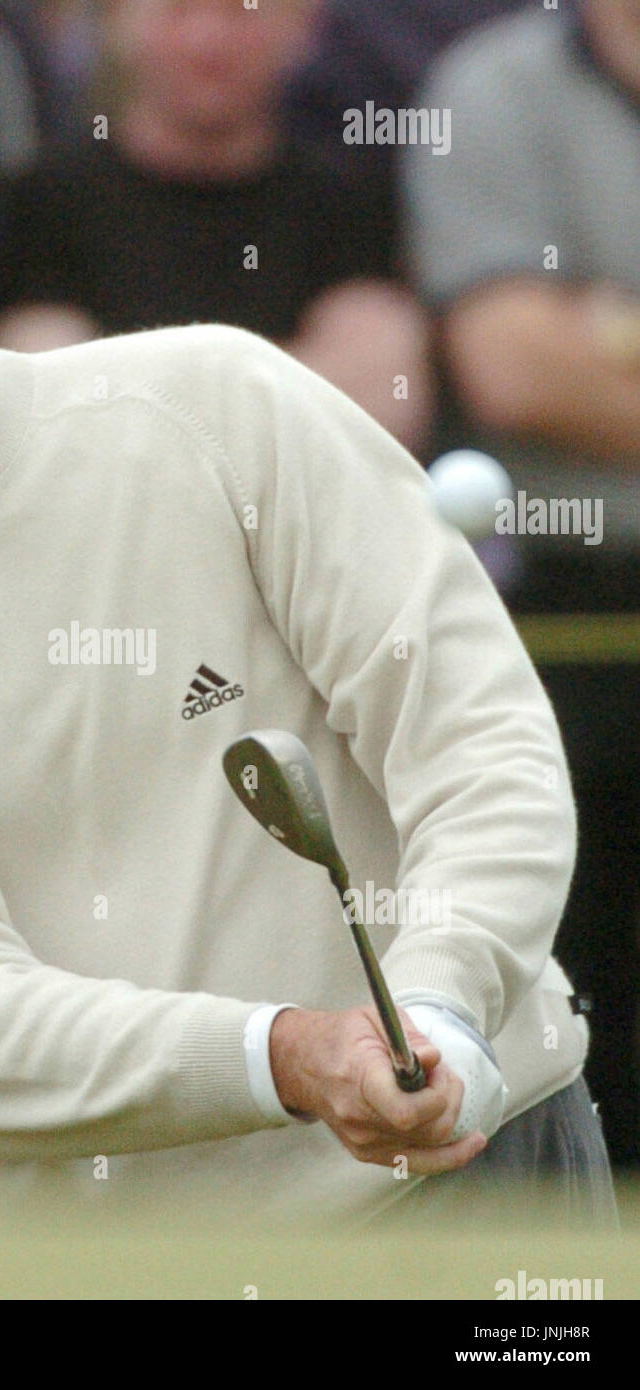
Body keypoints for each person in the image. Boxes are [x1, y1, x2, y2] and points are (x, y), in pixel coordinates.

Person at [0, 70, 614, 1235]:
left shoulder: (219, 399)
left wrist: (444, 1001)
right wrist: (287, 1058)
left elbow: (473, 735)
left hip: (481, 1175)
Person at [401, 0, 640, 1170]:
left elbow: (560, 356)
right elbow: (510, 363)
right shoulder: (489, 87)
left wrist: (606, 334)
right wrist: (557, 344)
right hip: (566, 592)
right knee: (577, 981)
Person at [0, 0, 432, 455]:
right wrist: (284, 384)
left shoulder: (348, 200)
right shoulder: (46, 200)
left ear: (302, 25)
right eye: (179, 11)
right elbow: (50, 410)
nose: (208, 41)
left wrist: (143, 398)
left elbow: (379, 407)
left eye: (241, 12)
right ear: (117, 22)